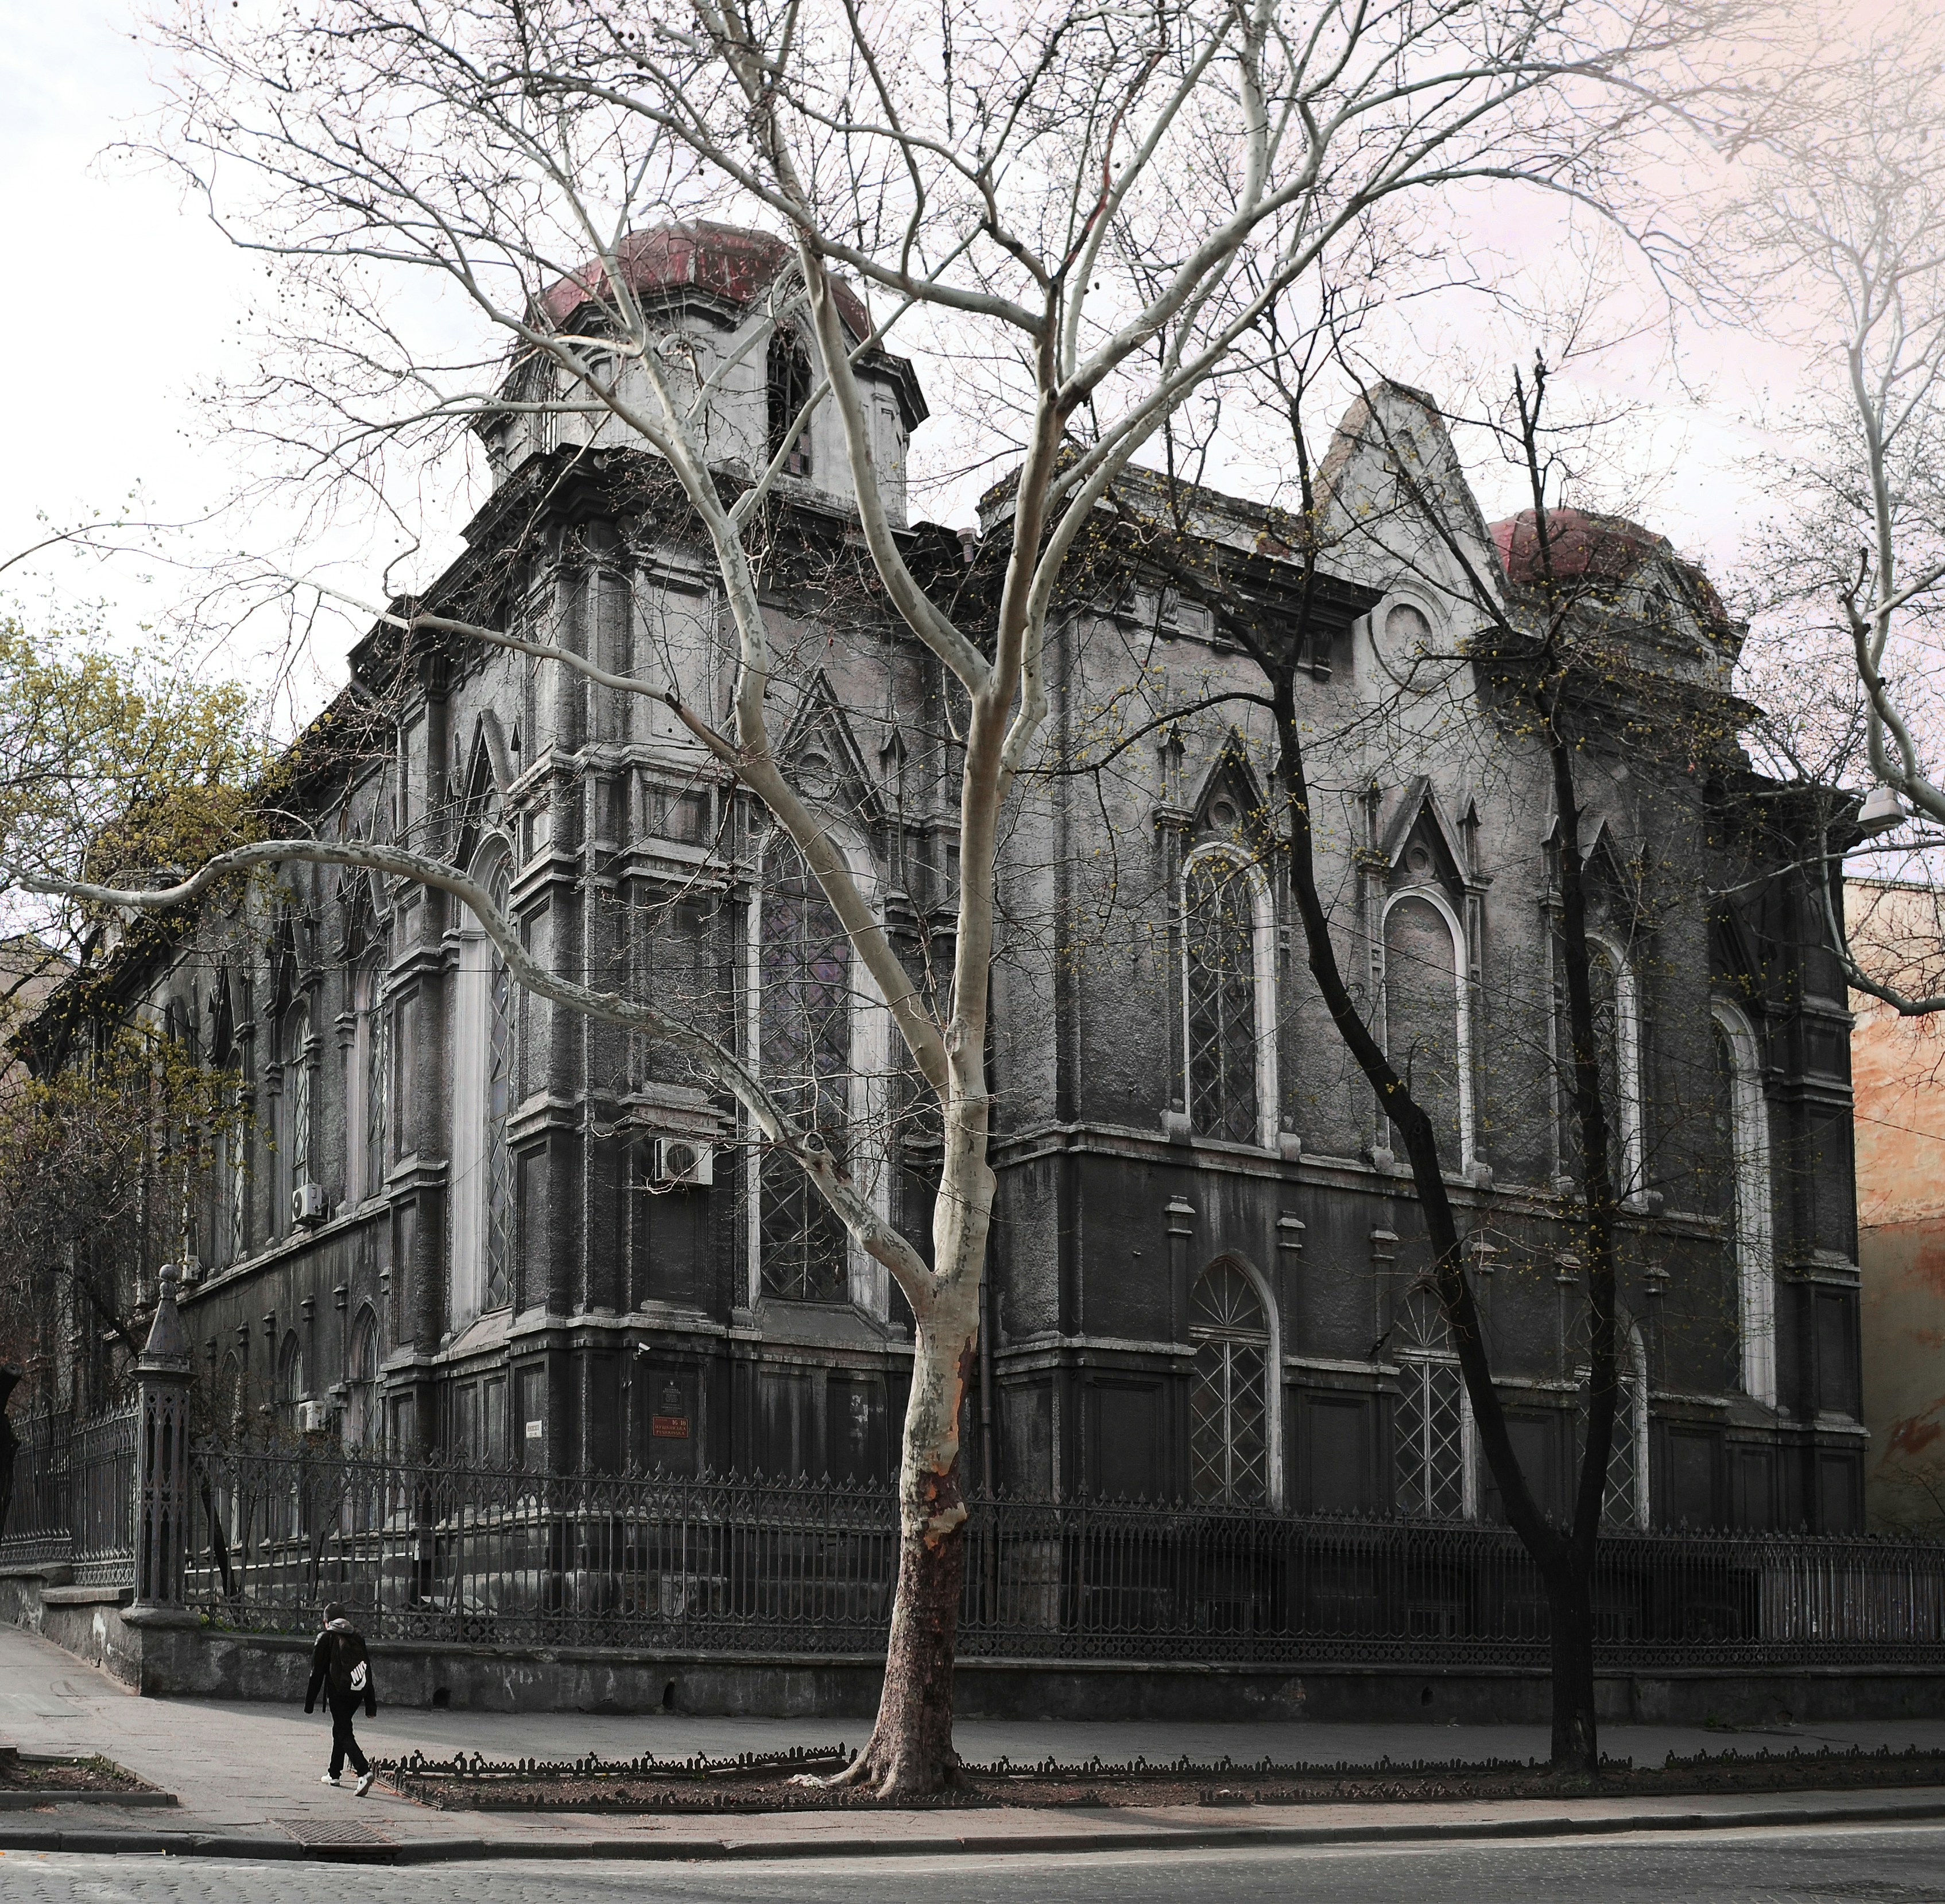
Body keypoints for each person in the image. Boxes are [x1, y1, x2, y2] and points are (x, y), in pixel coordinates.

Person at [304, 1602, 377, 1796]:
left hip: (338, 1692)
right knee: (341, 1728)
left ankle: (364, 1772)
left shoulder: (326, 1637)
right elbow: (367, 1669)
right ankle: (334, 1773)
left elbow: (316, 1673)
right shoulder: (356, 1637)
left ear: (325, 1621)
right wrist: (371, 1705)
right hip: (357, 1691)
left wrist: (309, 1703)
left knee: (343, 1732)